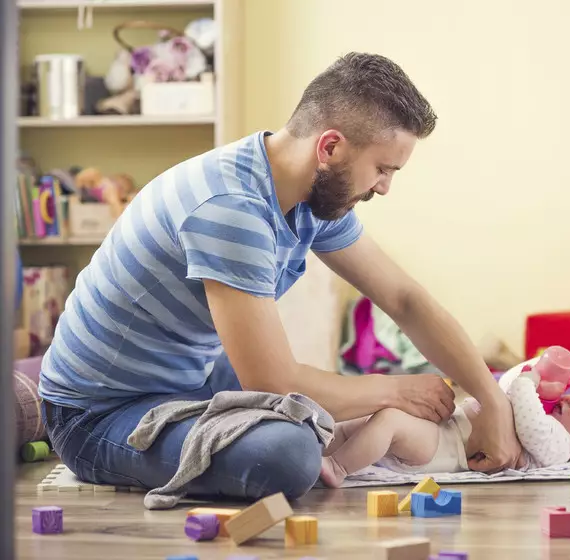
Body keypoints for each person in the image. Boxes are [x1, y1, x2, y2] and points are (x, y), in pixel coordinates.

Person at [38, 52, 521, 501]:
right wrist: (395, 389)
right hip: (96, 416)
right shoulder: (231, 208)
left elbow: (405, 298)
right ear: (330, 147)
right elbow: (273, 379)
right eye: (382, 169)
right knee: (289, 453)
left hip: (189, 377)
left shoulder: (309, 196)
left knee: (314, 408)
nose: (384, 187)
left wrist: (491, 398)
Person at [319, 357, 570, 487]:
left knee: (388, 421)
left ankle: (338, 467)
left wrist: (529, 384)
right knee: (367, 420)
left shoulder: (557, 445)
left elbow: (528, 419)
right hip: (445, 432)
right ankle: (326, 444)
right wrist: (535, 369)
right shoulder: (548, 416)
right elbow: (505, 388)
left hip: (444, 449)